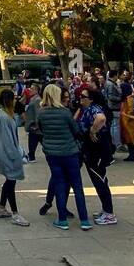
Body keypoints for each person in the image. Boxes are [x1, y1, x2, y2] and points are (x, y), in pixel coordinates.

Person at [36, 84, 91, 230]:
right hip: (70, 152)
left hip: (52, 153)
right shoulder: (65, 112)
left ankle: (62, 220)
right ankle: (84, 220)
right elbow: (76, 130)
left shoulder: (41, 113)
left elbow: (39, 129)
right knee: (77, 186)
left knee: (59, 184)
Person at [76, 87, 116, 225]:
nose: (80, 98)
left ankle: (109, 213)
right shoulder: (86, 109)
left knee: (100, 180)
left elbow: (101, 118)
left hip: (96, 150)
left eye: (83, 96)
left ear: (91, 99)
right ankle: (106, 209)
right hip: (91, 150)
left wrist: (93, 131)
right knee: (98, 180)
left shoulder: (94, 109)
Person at [0, 87, 29, 225]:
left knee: (9, 182)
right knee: (11, 182)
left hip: (8, 154)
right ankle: (15, 213)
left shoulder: (6, 116)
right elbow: (8, 141)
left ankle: (2, 207)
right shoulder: (4, 117)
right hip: (9, 156)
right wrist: (17, 155)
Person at [22, 82, 42, 163]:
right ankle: (31, 155)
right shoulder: (33, 99)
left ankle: (31, 156)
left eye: (32, 88)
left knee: (33, 140)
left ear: (36, 90)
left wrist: (37, 125)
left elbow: (38, 113)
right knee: (35, 140)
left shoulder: (37, 100)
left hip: (34, 125)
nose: (30, 90)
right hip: (32, 124)